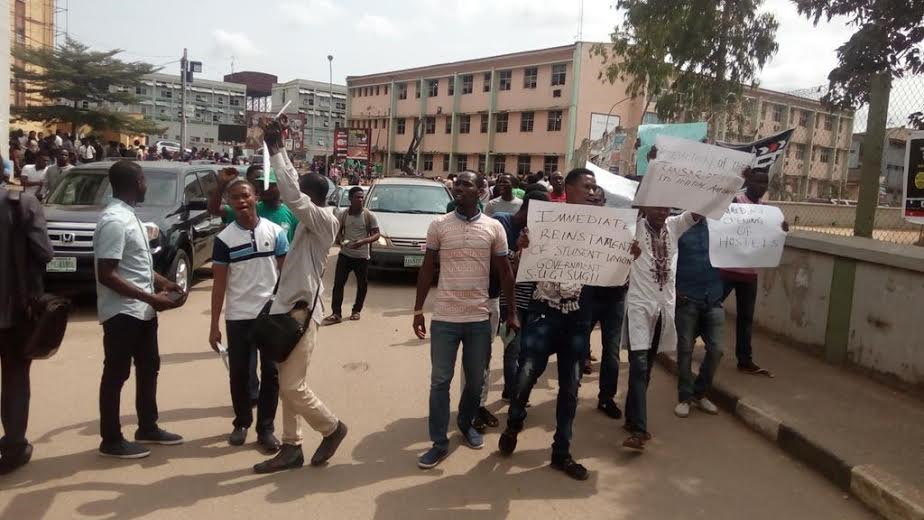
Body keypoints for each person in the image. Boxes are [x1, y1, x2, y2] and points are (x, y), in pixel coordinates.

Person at [251, 119, 348, 474]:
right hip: (288, 310)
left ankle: (331, 427)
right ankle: (291, 447)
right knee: (288, 384)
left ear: (312, 197)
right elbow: (294, 186)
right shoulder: (309, 223)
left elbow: (292, 193)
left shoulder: (324, 221)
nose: (293, 196)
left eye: (301, 191)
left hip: (302, 315)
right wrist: (278, 150)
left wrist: (277, 149)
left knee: (292, 386)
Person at [498, 168, 599, 481]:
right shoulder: (546, 221)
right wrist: (523, 247)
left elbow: (613, 271)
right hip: (544, 313)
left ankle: (561, 452)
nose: (592, 192)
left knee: (570, 388)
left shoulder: (602, 228)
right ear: (569, 188)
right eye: (586, 187)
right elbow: (520, 265)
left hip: (577, 319)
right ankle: (515, 421)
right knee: (526, 374)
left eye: (594, 188)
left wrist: (627, 256)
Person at [412, 171, 518, 470]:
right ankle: (438, 443)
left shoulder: (494, 227)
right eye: (456, 183)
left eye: (466, 184)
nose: (458, 187)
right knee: (440, 382)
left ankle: (466, 422)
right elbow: (427, 268)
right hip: (445, 318)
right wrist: (418, 310)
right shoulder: (439, 225)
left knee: (475, 380)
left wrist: (511, 312)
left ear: (480, 190)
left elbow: (505, 272)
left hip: (478, 318)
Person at [93, 160, 188, 459]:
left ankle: (148, 427)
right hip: (122, 313)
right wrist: (151, 298)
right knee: (116, 374)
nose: (146, 185)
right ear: (136, 183)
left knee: (149, 368)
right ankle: (111, 440)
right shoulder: (114, 221)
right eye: (144, 179)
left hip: (142, 311)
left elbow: (136, 266)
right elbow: (107, 274)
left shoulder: (129, 215)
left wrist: (165, 283)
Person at [209, 179, 288, 453]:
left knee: (271, 374)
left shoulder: (276, 232)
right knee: (240, 374)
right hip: (238, 316)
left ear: (255, 197)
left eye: (245, 195)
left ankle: (266, 429)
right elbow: (219, 285)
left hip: (270, 316)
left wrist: (288, 310)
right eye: (234, 197)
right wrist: (214, 325)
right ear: (229, 203)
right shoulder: (224, 240)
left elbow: (286, 275)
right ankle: (241, 422)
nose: (241, 201)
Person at [622, 207, 700, 451]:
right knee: (639, 365)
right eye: (656, 206)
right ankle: (639, 430)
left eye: (665, 207)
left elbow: (698, 212)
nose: (661, 212)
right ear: (646, 207)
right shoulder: (633, 228)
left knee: (645, 369)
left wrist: (723, 189)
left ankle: (631, 417)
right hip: (639, 307)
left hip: (663, 310)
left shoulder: (674, 226)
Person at [0, 187, 53, 474]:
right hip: (13, 312)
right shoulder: (21, 204)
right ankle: (14, 448)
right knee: (15, 378)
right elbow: (45, 253)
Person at [721, 167, 787, 375]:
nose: (762, 186)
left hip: (749, 273)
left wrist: (781, 230)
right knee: (709, 309)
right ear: (748, 182)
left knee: (746, 318)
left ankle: (744, 360)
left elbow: (768, 237)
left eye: (765, 182)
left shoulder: (765, 211)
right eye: (758, 182)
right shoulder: (735, 202)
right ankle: (686, 344)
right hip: (726, 270)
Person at [491, 189, 549, 401]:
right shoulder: (501, 223)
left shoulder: (542, 230)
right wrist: (520, 249)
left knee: (530, 350)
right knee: (513, 348)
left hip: (534, 299)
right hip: (510, 298)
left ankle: (516, 389)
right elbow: (505, 268)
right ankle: (512, 392)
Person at [673, 216, 723, 418]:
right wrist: (674, 290)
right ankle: (685, 397)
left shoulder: (722, 226)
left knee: (717, 350)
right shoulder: (678, 226)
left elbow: (750, 241)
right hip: (686, 298)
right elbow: (666, 258)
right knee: (685, 350)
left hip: (713, 297)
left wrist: (777, 230)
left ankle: (700, 393)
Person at [322, 187, 380, 325]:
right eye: (357, 197)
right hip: (345, 255)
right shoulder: (343, 214)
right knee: (338, 284)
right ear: (350, 199)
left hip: (362, 257)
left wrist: (362, 242)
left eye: (362, 197)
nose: (360, 200)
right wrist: (340, 239)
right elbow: (338, 229)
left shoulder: (369, 215)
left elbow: (377, 234)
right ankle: (336, 313)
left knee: (362, 285)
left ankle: (356, 310)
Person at [209, 166, 301, 243]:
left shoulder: (292, 213)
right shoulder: (249, 209)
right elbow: (214, 210)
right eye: (261, 185)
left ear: (280, 187)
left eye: (269, 185)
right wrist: (222, 184)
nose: (264, 189)